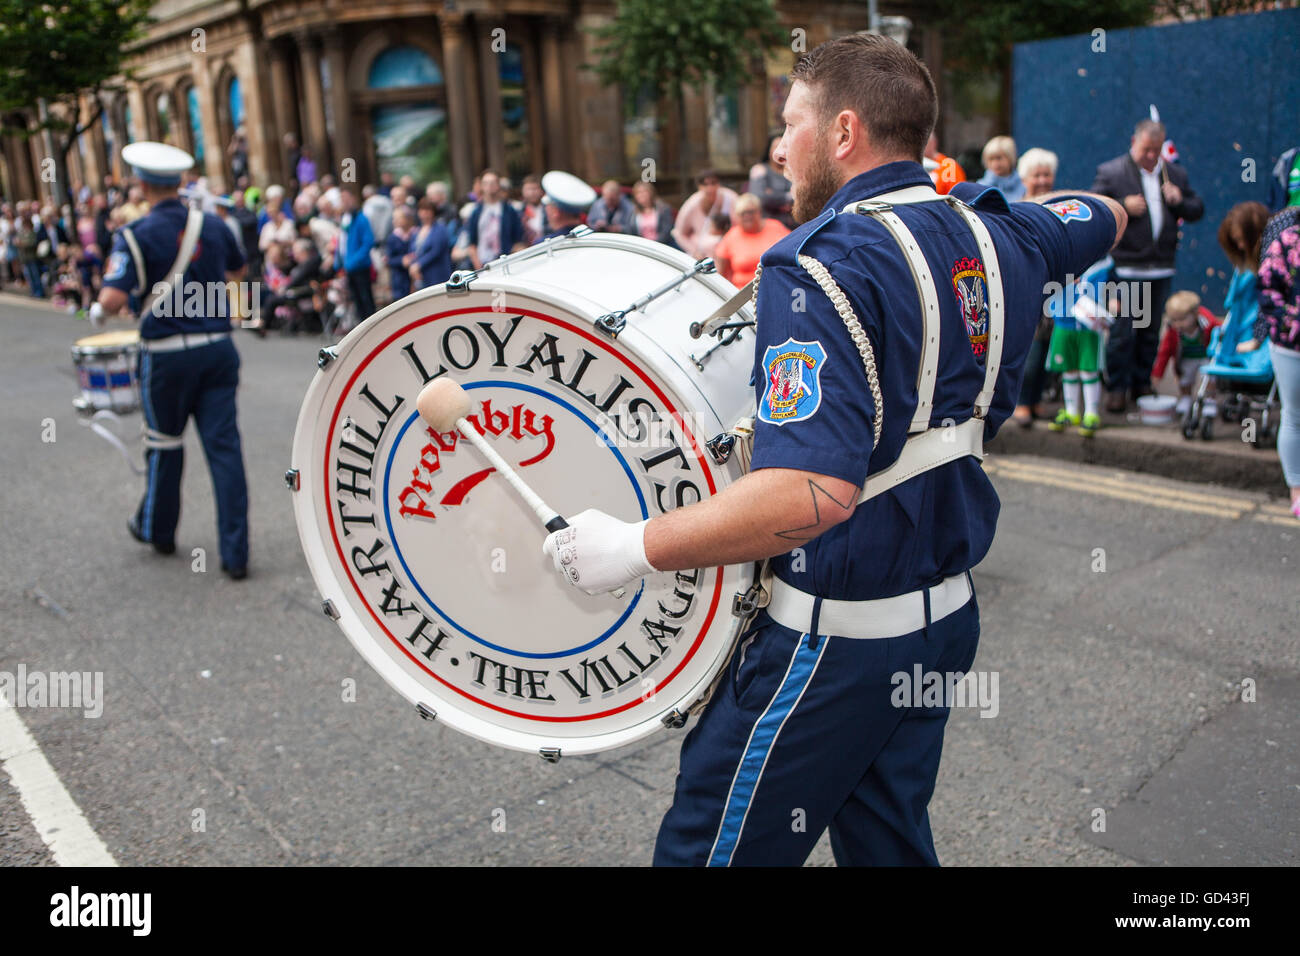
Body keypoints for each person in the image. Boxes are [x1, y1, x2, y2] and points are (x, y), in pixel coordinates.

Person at [539, 33, 1125, 866]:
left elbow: (811, 493)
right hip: (944, 621)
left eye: (792, 123)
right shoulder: (1006, 237)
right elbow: (1110, 214)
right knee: (887, 844)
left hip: (833, 644)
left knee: (707, 852)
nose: (780, 148)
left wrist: (630, 547)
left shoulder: (816, 265)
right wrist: (986, 199)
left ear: (843, 132)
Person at [92, 141, 251, 580]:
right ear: (181, 181)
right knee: (225, 450)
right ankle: (235, 555)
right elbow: (238, 272)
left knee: (165, 444)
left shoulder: (135, 233)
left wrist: (99, 310)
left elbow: (112, 297)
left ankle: (159, 530)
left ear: (142, 184)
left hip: (166, 356)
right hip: (218, 347)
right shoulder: (216, 226)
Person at [1091, 119, 1204, 412]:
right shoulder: (1112, 171)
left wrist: (1179, 201)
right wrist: (1122, 205)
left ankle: (1141, 383)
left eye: (1157, 150)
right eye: (1146, 150)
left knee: (1151, 330)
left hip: (1161, 268)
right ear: (1133, 143)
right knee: (1123, 331)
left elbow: (1196, 209)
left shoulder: (1174, 173)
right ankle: (1117, 387)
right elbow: (1093, 206)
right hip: (1127, 268)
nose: (1152, 156)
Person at [1010, 148, 1059, 426]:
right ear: (1024, 178)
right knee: (1030, 350)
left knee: (1049, 349)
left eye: (1047, 174)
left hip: (1057, 288)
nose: (1042, 180)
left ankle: (1038, 400)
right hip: (1027, 287)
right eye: (1036, 175)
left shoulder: (1060, 205)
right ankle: (1022, 403)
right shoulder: (1016, 209)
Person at [1257, 203, 1300, 517]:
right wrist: (1292, 322)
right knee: (1294, 416)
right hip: (1290, 347)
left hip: (1287, 343)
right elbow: (1268, 291)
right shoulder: (1287, 239)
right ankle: (1297, 492)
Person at [1152, 291, 1220, 415]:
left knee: (1210, 379)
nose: (1177, 324)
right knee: (1184, 379)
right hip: (1186, 359)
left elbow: (1220, 328)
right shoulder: (1173, 332)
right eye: (1174, 320)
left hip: (1206, 356)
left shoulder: (1207, 324)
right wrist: (1158, 373)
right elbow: (1164, 352)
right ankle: (1186, 398)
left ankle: (1210, 400)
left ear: (1195, 315)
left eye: (1182, 319)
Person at [712, 193, 789, 287]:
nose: (747, 216)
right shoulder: (731, 237)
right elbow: (720, 275)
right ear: (736, 216)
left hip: (776, 287)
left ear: (759, 212)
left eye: (751, 212)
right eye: (743, 213)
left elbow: (791, 253)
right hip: (743, 295)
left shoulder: (776, 227)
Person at [465, 169, 524, 268]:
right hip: (483, 263)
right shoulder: (476, 212)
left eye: (493, 182)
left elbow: (517, 240)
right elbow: (472, 244)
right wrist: (479, 268)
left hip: (505, 262)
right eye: (486, 183)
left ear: (499, 185)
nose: (490, 186)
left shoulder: (509, 211)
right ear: (482, 186)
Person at [672, 170, 738, 258]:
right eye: (705, 184)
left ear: (719, 184)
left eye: (713, 183)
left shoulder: (731, 198)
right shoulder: (692, 204)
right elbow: (678, 233)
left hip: (730, 251)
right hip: (702, 255)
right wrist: (694, 252)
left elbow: (740, 226)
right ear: (699, 187)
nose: (710, 188)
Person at [339, 187, 377, 321]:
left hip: (360, 266)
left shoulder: (361, 219)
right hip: (349, 267)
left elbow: (368, 242)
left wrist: (353, 261)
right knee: (356, 300)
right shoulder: (346, 219)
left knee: (365, 299)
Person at [749, 132, 795, 229]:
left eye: (784, 146)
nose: (780, 151)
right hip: (768, 226)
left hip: (794, 226)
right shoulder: (759, 170)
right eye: (775, 147)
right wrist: (788, 197)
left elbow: (801, 197)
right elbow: (759, 199)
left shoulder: (795, 171)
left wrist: (772, 194)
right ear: (769, 149)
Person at [535, 170, 597, 242]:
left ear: (555, 211)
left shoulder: (545, 245)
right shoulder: (594, 238)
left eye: (546, 205)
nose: (545, 209)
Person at [407, 197, 451, 290]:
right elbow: (412, 251)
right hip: (420, 276)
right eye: (422, 210)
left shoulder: (440, 229)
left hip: (436, 274)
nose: (424, 213)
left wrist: (419, 265)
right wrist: (412, 265)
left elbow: (436, 251)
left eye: (427, 210)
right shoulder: (416, 231)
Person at [976, 136, 1025, 201]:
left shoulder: (1024, 184)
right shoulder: (980, 187)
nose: (995, 163)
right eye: (991, 159)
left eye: (999, 158)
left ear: (1010, 158)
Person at [386, 205, 415, 302]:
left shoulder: (415, 234)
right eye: (394, 218)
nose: (395, 221)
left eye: (398, 218)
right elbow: (389, 260)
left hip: (414, 279)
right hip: (399, 281)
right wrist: (401, 260)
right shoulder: (393, 238)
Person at [630, 180, 675, 246]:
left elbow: (666, 231)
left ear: (651, 193)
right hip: (641, 247)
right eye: (638, 193)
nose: (642, 195)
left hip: (661, 247)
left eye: (644, 192)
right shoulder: (633, 212)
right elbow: (631, 232)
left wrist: (654, 244)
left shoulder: (663, 209)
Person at [517, 174, 546, 245]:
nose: (532, 193)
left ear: (541, 191)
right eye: (528, 189)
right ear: (522, 191)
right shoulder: (518, 212)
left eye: (535, 189)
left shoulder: (549, 209)